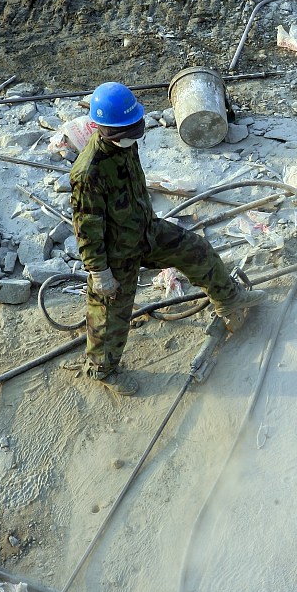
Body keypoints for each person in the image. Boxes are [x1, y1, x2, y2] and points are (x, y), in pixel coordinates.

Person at [68, 81, 262, 395]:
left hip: (146, 231)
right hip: (116, 254)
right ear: (106, 129)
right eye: (127, 129)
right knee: (110, 314)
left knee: (197, 251)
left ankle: (229, 299)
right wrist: (99, 272)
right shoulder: (88, 172)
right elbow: (86, 227)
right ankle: (102, 369)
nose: (135, 134)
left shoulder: (125, 145)